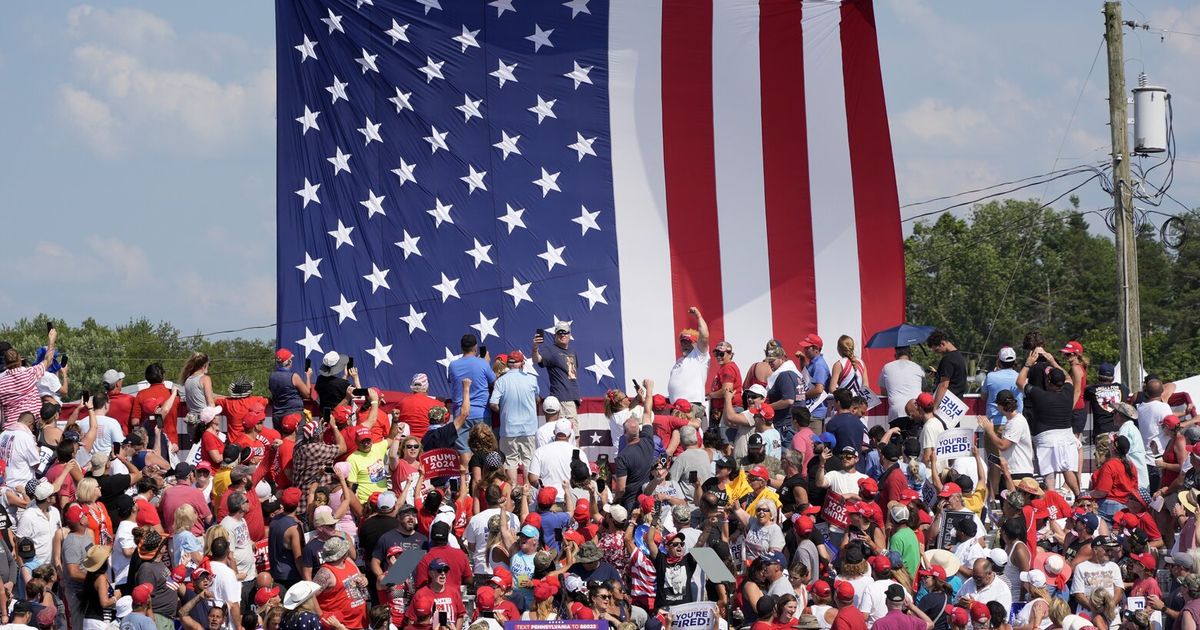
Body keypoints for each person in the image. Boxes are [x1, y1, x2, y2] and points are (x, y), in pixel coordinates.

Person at [1019, 361, 1079, 497]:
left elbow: (1020, 382)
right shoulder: (1068, 392)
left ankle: (1052, 502)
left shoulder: (1039, 394)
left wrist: (1027, 364)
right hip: (1066, 436)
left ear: (1048, 381)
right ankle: (1079, 496)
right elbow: (1069, 378)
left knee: (1049, 474)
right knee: (1067, 469)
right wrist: (1052, 360)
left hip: (1046, 437)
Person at [488, 351, 539, 473]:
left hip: (509, 428)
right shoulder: (532, 379)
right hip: (529, 428)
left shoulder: (501, 381)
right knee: (528, 460)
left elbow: (493, 404)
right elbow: (537, 399)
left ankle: (513, 489)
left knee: (510, 461)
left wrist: (504, 411)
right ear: (522, 363)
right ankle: (528, 490)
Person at [448, 334, 497, 457]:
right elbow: (494, 382)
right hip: (481, 413)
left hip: (460, 414)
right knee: (485, 450)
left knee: (464, 450)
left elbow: (451, 380)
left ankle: (465, 475)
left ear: (461, 347)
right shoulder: (483, 364)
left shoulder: (453, 365)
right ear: (475, 347)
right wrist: (485, 363)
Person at [0, 326, 57, 427]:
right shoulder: (29, 373)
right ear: (20, 360)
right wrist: (51, 341)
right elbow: (48, 360)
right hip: (31, 425)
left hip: (10, 427)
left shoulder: (1, 383)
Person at [977, 390, 1034, 489]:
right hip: (1012, 471)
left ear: (1000, 406)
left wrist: (990, 431)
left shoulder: (1017, 422)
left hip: (1018, 473)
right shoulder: (1012, 421)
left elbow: (1003, 445)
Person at [314, 537, 369, 630]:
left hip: (361, 621)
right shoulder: (325, 573)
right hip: (341, 625)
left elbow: (361, 576)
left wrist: (364, 580)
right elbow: (310, 595)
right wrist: (321, 615)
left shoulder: (348, 561)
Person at [666, 307, 710, 409]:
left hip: (692, 406)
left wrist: (698, 316)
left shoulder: (699, 356)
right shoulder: (679, 361)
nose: (684, 345)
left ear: (696, 343)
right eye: (683, 342)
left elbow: (704, 337)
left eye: (688, 342)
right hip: (676, 407)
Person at [877, 347, 926, 422]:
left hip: (896, 412)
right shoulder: (919, 368)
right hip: (916, 410)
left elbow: (883, 392)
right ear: (910, 355)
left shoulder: (886, 367)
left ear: (895, 355)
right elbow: (923, 390)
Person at [980, 346, 1023, 425]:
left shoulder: (990, 376)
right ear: (1014, 361)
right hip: (1016, 422)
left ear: (999, 361)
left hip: (994, 422)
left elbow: (983, 397)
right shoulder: (1021, 378)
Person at [1083, 364, 1128, 437]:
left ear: (1098, 377)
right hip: (1119, 431)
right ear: (1113, 378)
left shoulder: (1091, 390)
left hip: (1101, 432)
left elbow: (1084, 396)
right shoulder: (1122, 389)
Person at [269, 349, 312, 421]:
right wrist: (308, 376)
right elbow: (307, 394)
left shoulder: (272, 377)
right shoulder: (294, 377)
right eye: (291, 359)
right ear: (289, 361)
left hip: (277, 414)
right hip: (293, 414)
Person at [706, 341, 742, 425]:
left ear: (730, 355)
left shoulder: (728, 368)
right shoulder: (726, 367)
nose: (718, 357)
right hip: (727, 410)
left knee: (725, 438)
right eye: (716, 354)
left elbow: (726, 391)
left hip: (730, 410)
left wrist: (710, 395)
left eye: (721, 354)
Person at [926, 330, 967, 403]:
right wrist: (937, 374)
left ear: (942, 343)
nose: (936, 353)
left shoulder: (948, 359)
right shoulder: (959, 356)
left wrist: (935, 406)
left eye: (937, 350)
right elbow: (955, 378)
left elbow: (944, 385)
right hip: (957, 402)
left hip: (947, 403)